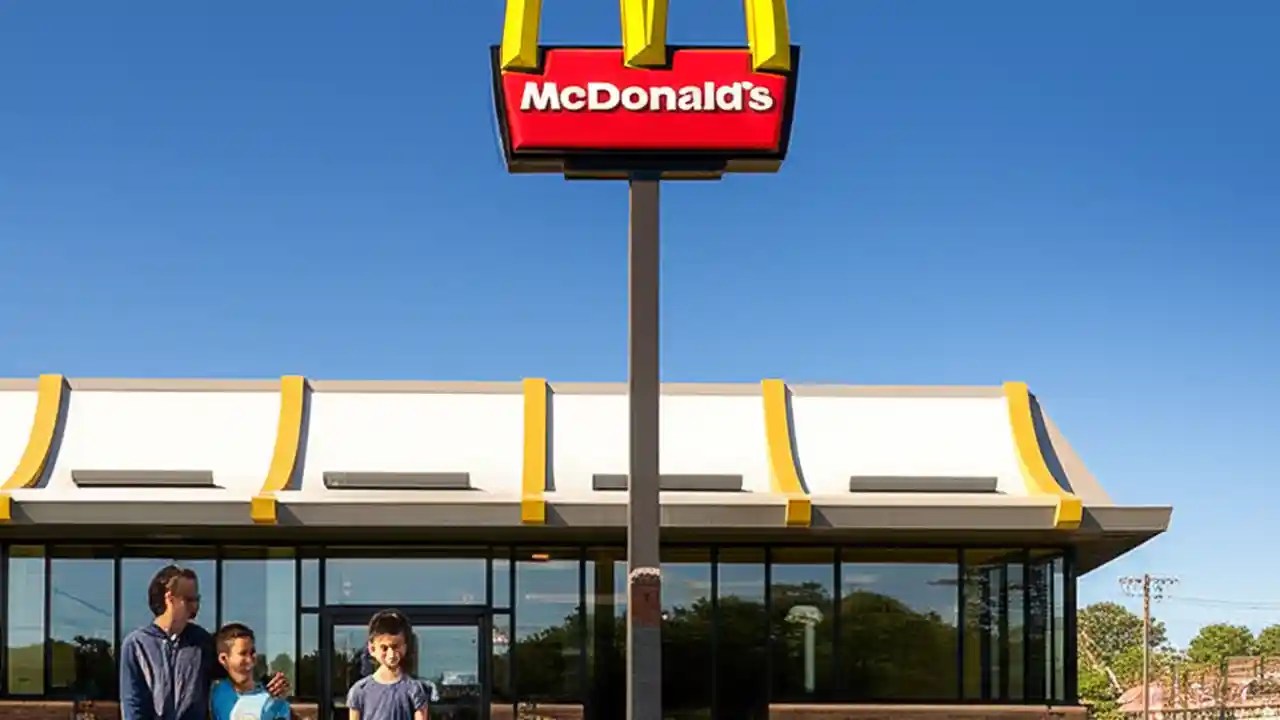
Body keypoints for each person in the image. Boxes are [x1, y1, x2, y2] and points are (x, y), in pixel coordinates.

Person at [119, 565, 291, 720]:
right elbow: (132, 704)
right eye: (189, 599)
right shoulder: (136, 645)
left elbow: (235, 672)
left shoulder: (202, 642)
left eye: (197, 598)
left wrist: (270, 684)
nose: (196, 605)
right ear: (169, 598)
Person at [347, 610, 429, 720]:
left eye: (396, 647)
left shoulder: (414, 689)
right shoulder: (359, 691)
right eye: (384, 648)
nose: (391, 654)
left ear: (405, 647)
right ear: (372, 649)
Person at [210, 623, 291, 720]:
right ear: (224, 659)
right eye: (243, 653)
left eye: (252, 652)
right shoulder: (215, 692)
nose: (250, 660)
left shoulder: (272, 700)